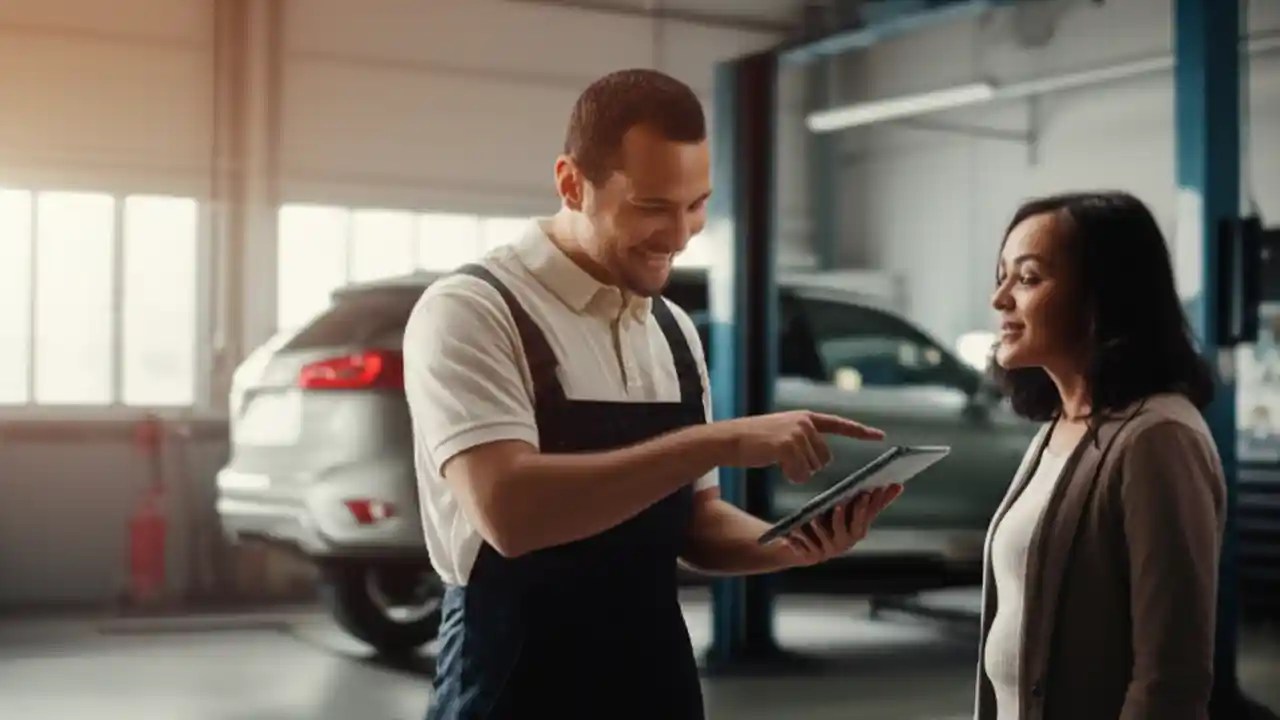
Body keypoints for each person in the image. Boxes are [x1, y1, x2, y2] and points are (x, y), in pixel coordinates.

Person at [403, 68, 901, 720]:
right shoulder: (473, 310)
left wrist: (793, 542)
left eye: (697, 205)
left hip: (655, 684)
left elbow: (695, 523)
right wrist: (716, 442)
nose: (682, 234)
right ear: (572, 184)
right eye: (652, 206)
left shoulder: (672, 331)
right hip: (511, 687)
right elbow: (509, 513)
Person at [974, 191, 1227, 720]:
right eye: (1002, 276)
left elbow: (1169, 677)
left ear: (1102, 297)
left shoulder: (1157, 439)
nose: (1000, 299)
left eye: (1028, 278)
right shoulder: (1057, 427)